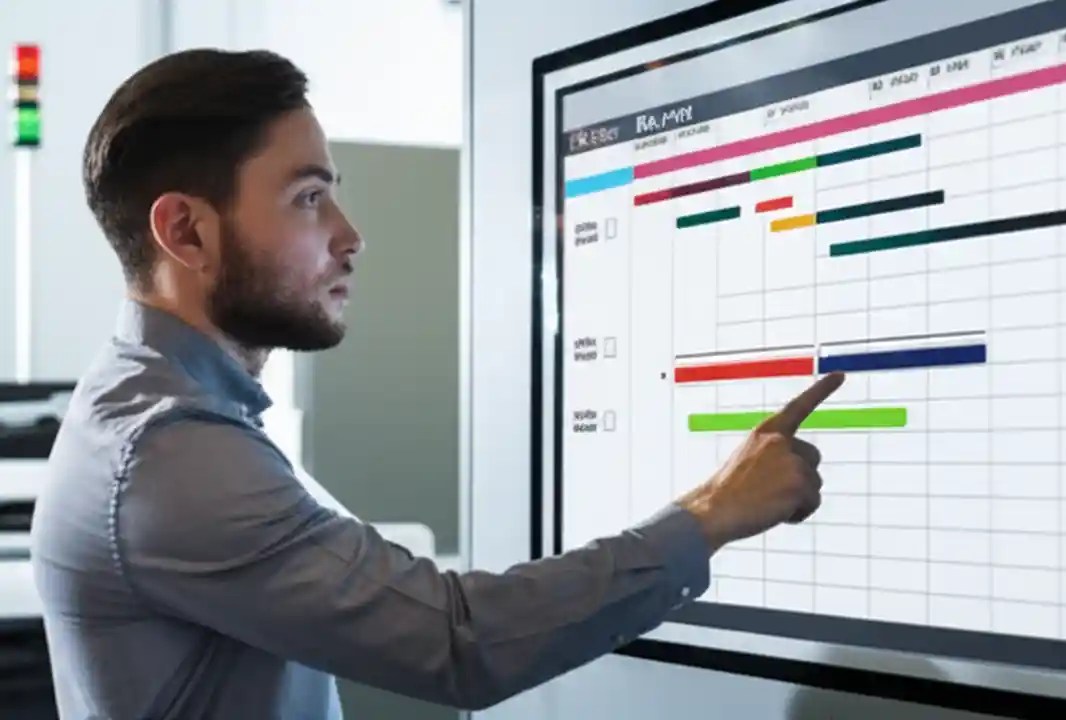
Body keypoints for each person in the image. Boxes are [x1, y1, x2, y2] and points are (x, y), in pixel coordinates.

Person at [29, 48, 844, 719]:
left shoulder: (152, 405)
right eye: (308, 198)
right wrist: (712, 514)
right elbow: (459, 641)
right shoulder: (170, 452)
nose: (350, 237)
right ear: (186, 231)